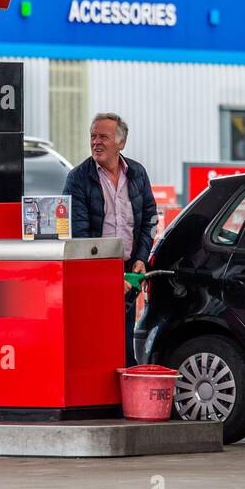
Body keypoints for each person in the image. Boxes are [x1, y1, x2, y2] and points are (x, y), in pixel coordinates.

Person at [62, 112, 158, 365]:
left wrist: (140, 259)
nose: (96, 142)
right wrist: (109, 277)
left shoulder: (137, 173)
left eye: (103, 137)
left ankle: (123, 400)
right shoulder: (78, 178)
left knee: (124, 343)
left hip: (128, 272)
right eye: (93, 137)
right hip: (93, 274)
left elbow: (150, 219)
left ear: (121, 142)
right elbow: (79, 237)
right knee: (97, 344)